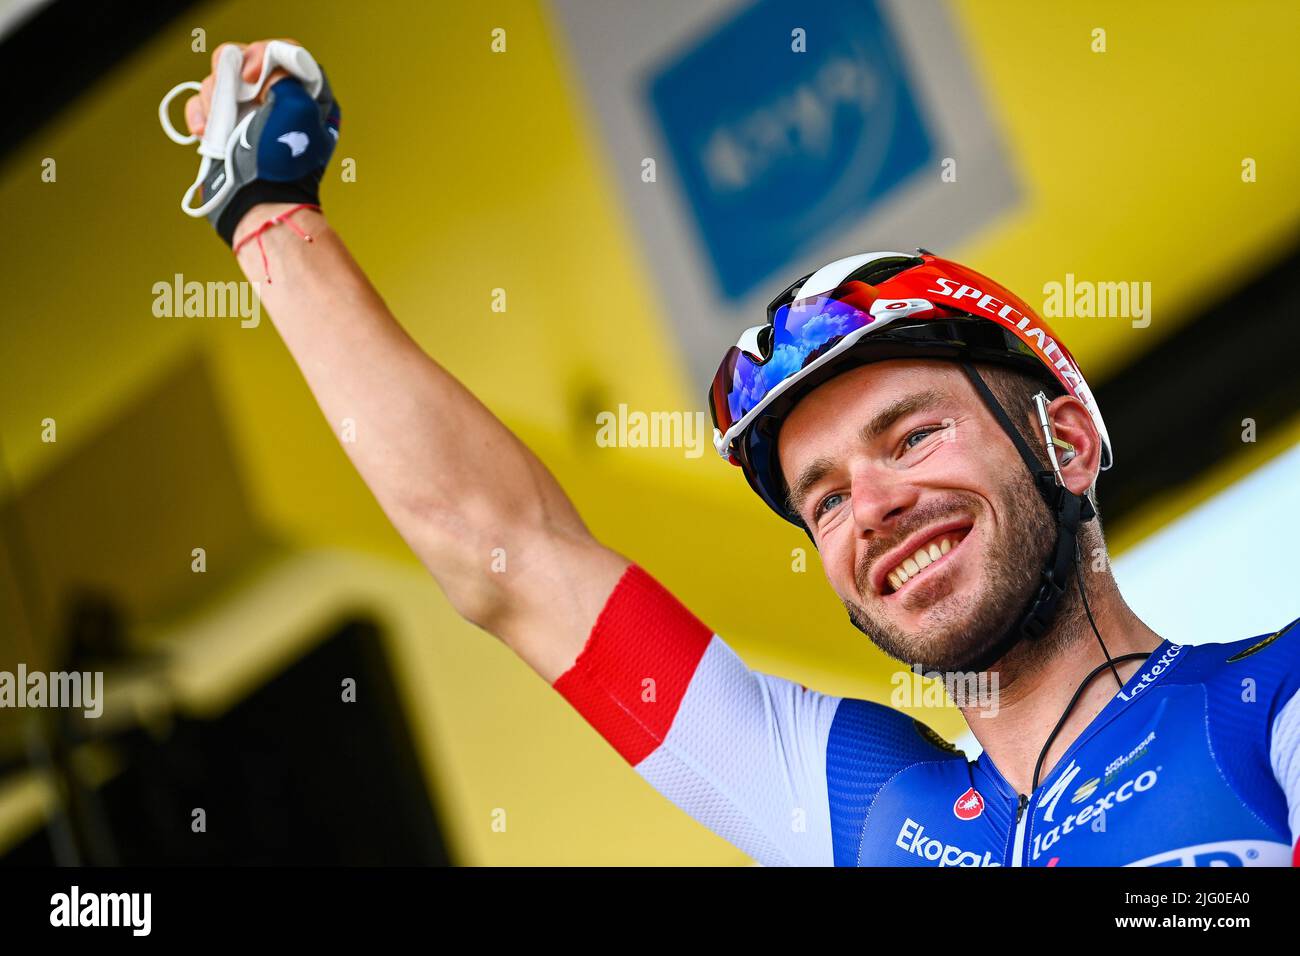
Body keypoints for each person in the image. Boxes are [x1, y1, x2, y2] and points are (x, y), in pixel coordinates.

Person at [170, 40, 1300, 866]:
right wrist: (266, 213)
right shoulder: (855, 807)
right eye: (824, 499)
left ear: (1062, 436)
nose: (875, 506)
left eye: (910, 434)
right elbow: (499, 550)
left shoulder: (1271, 701)